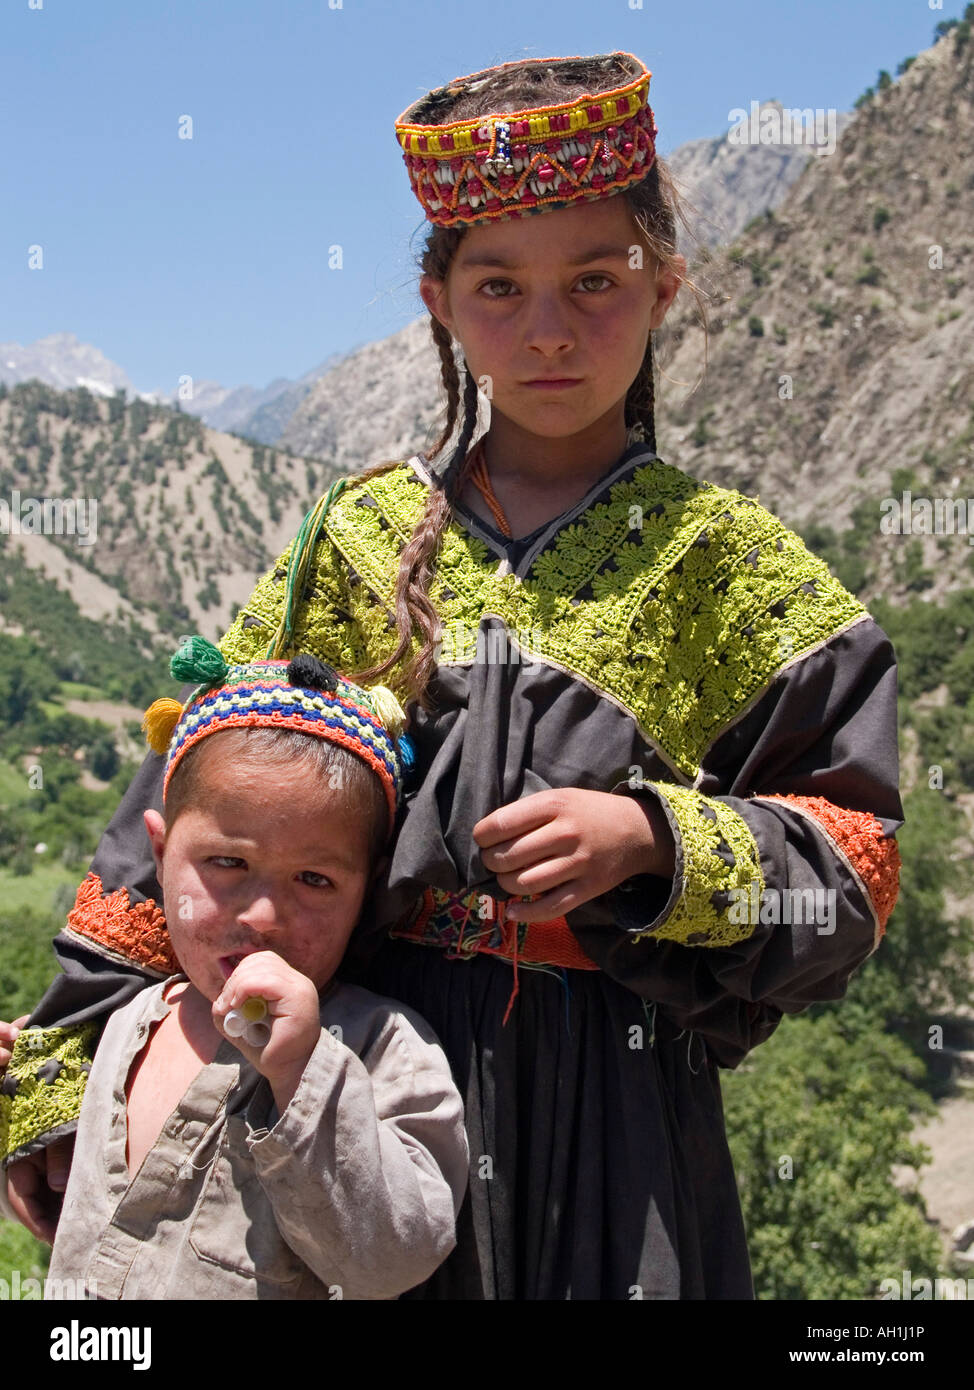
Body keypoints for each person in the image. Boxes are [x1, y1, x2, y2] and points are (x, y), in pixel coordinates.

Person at [1, 51, 902, 1299]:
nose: (545, 328)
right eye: (497, 284)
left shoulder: (735, 574)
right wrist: (63, 1067)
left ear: (665, 286)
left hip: (610, 1112)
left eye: (595, 280)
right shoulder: (358, 543)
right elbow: (198, 806)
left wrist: (653, 837)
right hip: (347, 1091)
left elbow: (854, 869)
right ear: (436, 298)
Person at [20, 642, 468, 1299]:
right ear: (161, 852)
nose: (262, 915)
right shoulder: (121, 1030)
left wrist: (303, 1074)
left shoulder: (383, 1050)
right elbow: (85, 1224)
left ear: (365, 893)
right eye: (227, 864)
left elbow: (391, 1260)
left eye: (314, 879)